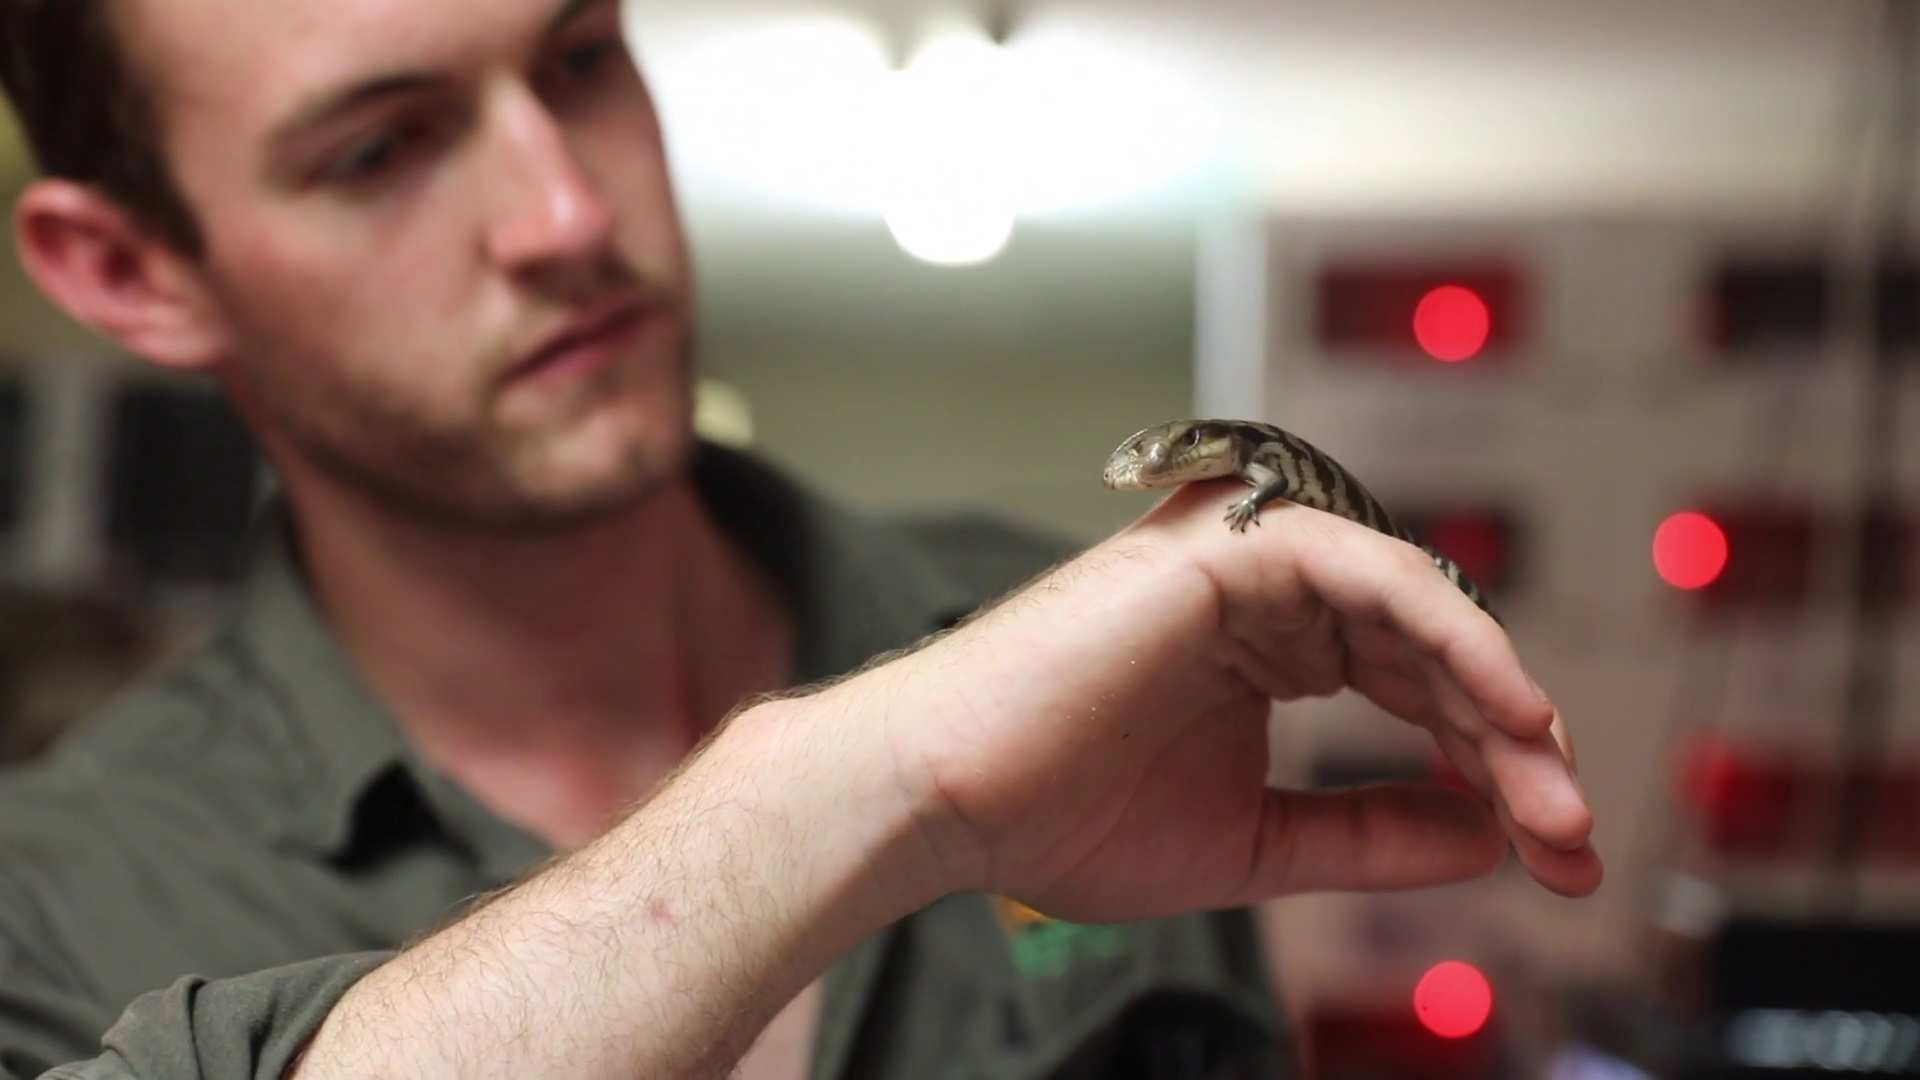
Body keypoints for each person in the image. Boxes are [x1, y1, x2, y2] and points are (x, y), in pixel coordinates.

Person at [0, 0, 1603, 1076]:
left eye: (576, 60)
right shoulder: (54, 898)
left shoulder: (1092, 623)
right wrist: (852, 794)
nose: (567, 213)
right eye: (376, 148)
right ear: (130, 271)